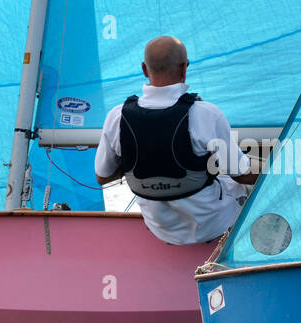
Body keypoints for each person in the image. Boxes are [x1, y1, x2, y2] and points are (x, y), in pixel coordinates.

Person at [94, 36, 258, 245]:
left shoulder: (117, 117)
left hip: (161, 230)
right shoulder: (206, 114)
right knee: (255, 184)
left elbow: (102, 177)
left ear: (145, 69)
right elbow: (242, 175)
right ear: (184, 69)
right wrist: (273, 170)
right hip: (214, 226)